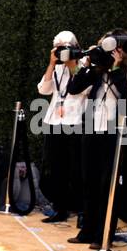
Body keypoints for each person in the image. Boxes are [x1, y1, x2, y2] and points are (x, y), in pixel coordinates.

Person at [66, 31, 127, 248]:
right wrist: (87, 65)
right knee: (89, 181)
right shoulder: (96, 69)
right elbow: (73, 88)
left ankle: (104, 235)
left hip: (116, 132)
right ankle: (87, 230)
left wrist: (116, 68)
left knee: (107, 185)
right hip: (93, 127)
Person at [36, 31, 87, 223]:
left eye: (66, 47)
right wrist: (52, 63)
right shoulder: (56, 69)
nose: (63, 52)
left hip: (76, 122)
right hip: (54, 122)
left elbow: (86, 88)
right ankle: (60, 209)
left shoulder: (84, 66)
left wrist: (72, 64)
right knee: (57, 168)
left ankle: (82, 211)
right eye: (59, 48)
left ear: (75, 47)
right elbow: (43, 89)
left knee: (77, 170)